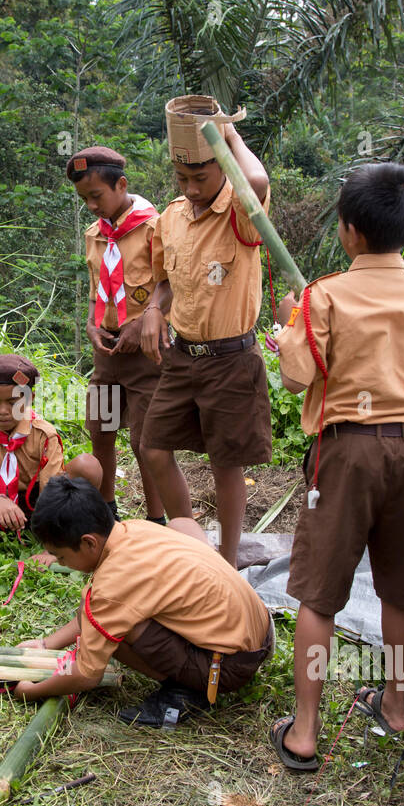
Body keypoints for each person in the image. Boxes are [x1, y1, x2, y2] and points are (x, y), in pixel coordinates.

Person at [266, 162, 404, 771]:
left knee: (318, 593)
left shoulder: (323, 297)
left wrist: (290, 327)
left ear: (349, 231)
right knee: (402, 589)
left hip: (345, 453)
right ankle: (395, 709)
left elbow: (293, 379)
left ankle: (305, 733)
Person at [11, 475, 273, 727]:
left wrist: (31, 692)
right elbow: (91, 610)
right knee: (180, 526)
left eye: (62, 557)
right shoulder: (132, 529)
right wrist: (47, 644)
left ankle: (187, 691)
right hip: (258, 637)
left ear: (89, 542)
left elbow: (86, 674)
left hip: (227, 668)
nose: (62, 564)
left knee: (115, 629)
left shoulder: (112, 584)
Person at [140, 121, 272, 569]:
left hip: (231, 359)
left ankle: (228, 561)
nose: (191, 188)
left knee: (225, 462)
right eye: (182, 179)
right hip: (182, 355)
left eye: (201, 177)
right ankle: (193, 545)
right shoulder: (171, 217)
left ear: (223, 167)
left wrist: (229, 138)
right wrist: (155, 309)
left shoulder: (241, 210)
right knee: (153, 447)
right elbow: (163, 280)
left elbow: (255, 181)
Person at [67, 145, 166, 525]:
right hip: (107, 354)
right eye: (84, 199)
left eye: (97, 196)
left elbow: (170, 285)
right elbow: (98, 291)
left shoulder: (154, 228)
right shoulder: (95, 235)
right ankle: (107, 511)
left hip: (145, 354)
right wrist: (92, 324)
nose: (91, 205)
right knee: (101, 429)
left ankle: (156, 520)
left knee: (146, 442)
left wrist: (143, 324)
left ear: (121, 184)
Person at [0, 354, 102, 564]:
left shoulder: (43, 434)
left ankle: (59, 532)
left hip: (40, 504)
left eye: (13, 402)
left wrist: (52, 551)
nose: (3, 411)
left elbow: (54, 495)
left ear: (30, 399)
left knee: (87, 466)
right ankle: (4, 528)